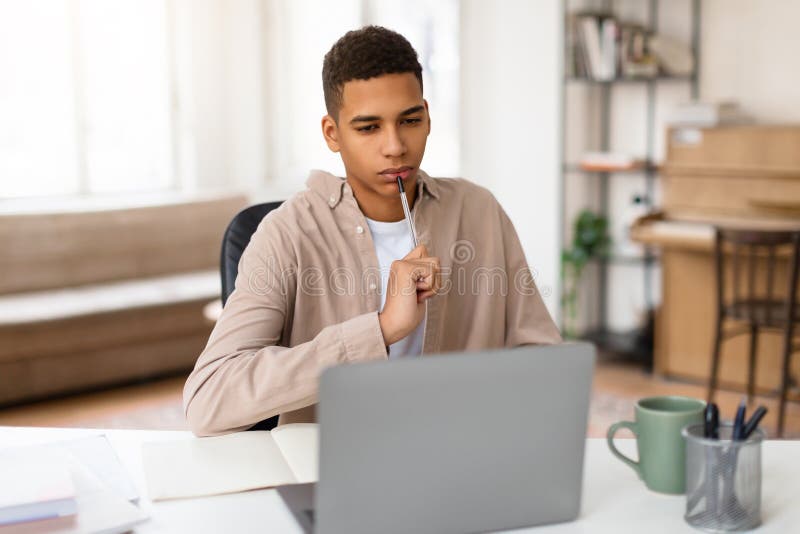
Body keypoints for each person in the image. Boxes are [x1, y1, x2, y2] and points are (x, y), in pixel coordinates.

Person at [184, 25, 561, 436]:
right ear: (333, 133)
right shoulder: (286, 234)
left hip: (462, 459)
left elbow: (542, 358)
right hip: (333, 474)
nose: (395, 146)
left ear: (428, 118)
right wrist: (381, 330)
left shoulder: (480, 211)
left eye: (410, 120)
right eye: (368, 128)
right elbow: (209, 400)